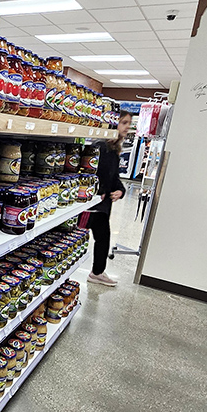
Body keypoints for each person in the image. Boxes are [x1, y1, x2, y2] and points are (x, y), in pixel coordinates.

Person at [87, 110, 133, 287]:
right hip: (93, 203)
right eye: (124, 122)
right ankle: (97, 272)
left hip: (101, 204)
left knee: (103, 237)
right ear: (113, 123)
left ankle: (97, 272)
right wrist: (102, 189)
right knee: (100, 237)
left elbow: (112, 177)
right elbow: (92, 173)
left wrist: (120, 190)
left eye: (128, 123)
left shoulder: (113, 149)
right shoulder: (100, 147)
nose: (127, 127)